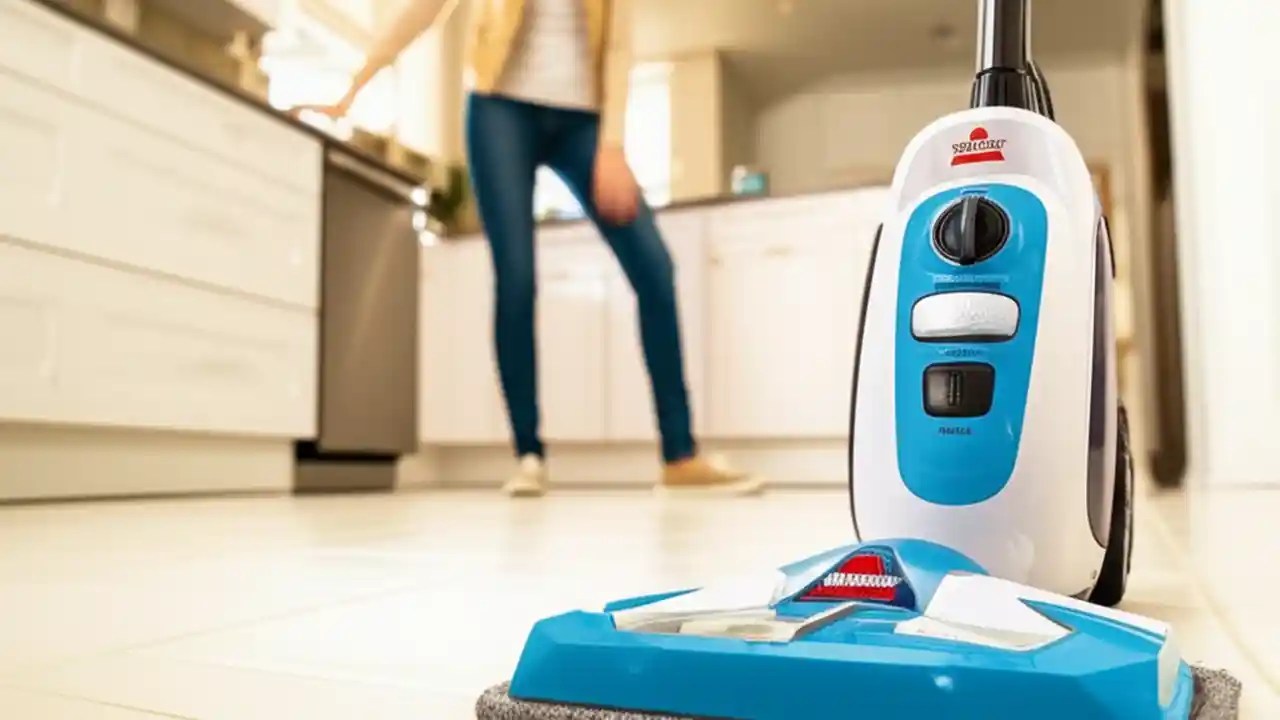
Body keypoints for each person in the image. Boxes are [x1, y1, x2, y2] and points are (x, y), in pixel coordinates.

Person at [303, 0, 763, 497]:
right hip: (500, 109)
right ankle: (529, 455)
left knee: (654, 267)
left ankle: (680, 457)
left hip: (582, 121)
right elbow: (422, 9)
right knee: (516, 278)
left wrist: (612, 146)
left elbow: (619, 45)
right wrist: (352, 89)